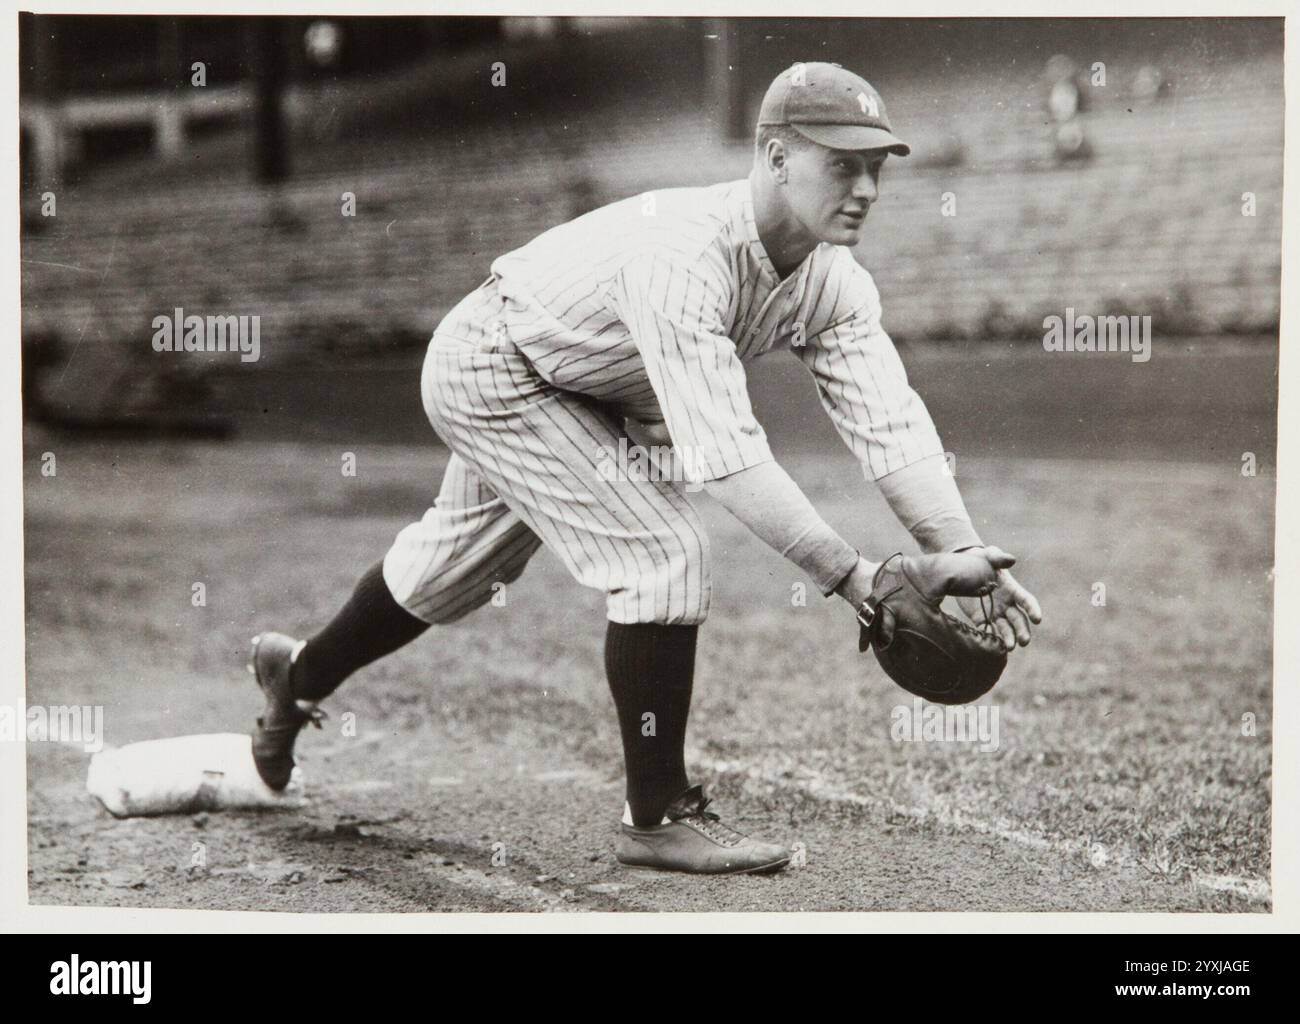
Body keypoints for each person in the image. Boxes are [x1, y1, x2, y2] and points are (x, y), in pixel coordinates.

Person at [249, 61, 1042, 876]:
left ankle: (295, 674)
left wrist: (958, 545)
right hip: (496, 362)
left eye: (876, 166)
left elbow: (890, 424)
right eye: (841, 162)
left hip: (593, 392)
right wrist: (857, 580)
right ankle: (655, 816)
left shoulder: (833, 283)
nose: (867, 186)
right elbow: (725, 459)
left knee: (442, 577)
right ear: (773, 157)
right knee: (662, 553)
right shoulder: (684, 254)